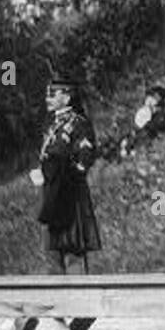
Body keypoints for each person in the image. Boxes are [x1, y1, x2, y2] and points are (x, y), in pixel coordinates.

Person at [35, 74, 102, 273]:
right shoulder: (52, 125)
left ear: (67, 97)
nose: (48, 99)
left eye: (53, 94)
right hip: (52, 192)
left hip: (69, 193)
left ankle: (79, 300)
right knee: (52, 253)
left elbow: (85, 157)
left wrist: (65, 174)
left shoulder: (79, 123)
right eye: (48, 95)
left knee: (73, 251)